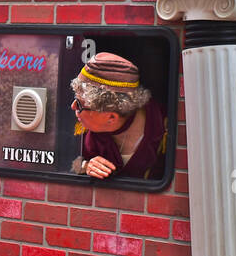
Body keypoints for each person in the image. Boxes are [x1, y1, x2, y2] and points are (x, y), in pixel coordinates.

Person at [70, 52, 167, 181]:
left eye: (80, 104)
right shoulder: (82, 125)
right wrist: (84, 166)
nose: (73, 107)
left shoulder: (165, 131)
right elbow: (64, 159)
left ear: (111, 118)